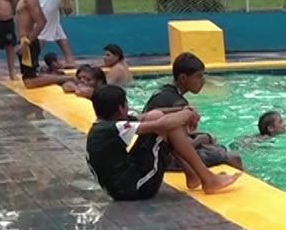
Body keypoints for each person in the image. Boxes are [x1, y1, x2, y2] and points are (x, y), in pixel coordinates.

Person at [86, 85, 239, 200]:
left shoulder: (103, 126)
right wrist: (188, 113)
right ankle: (208, 179)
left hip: (122, 186)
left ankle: (194, 176)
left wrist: (181, 109)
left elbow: (146, 116)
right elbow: (162, 126)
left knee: (156, 115)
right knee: (167, 127)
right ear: (121, 108)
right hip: (136, 188)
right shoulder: (115, 127)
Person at [144, 52, 243, 170]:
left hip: (150, 152)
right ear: (183, 78)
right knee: (234, 157)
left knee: (213, 144)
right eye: (199, 76)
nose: (203, 81)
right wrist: (204, 138)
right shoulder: (179, 104)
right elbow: (183, 146)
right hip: (164, 159)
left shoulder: (162, 92)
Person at [12, 0, 69, 90]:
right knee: (29, 77)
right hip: (23, 40)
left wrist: (27, 43)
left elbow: (41, 21)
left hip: (27, 41)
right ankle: (55, 77)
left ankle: (66, 78)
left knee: (30, 81)